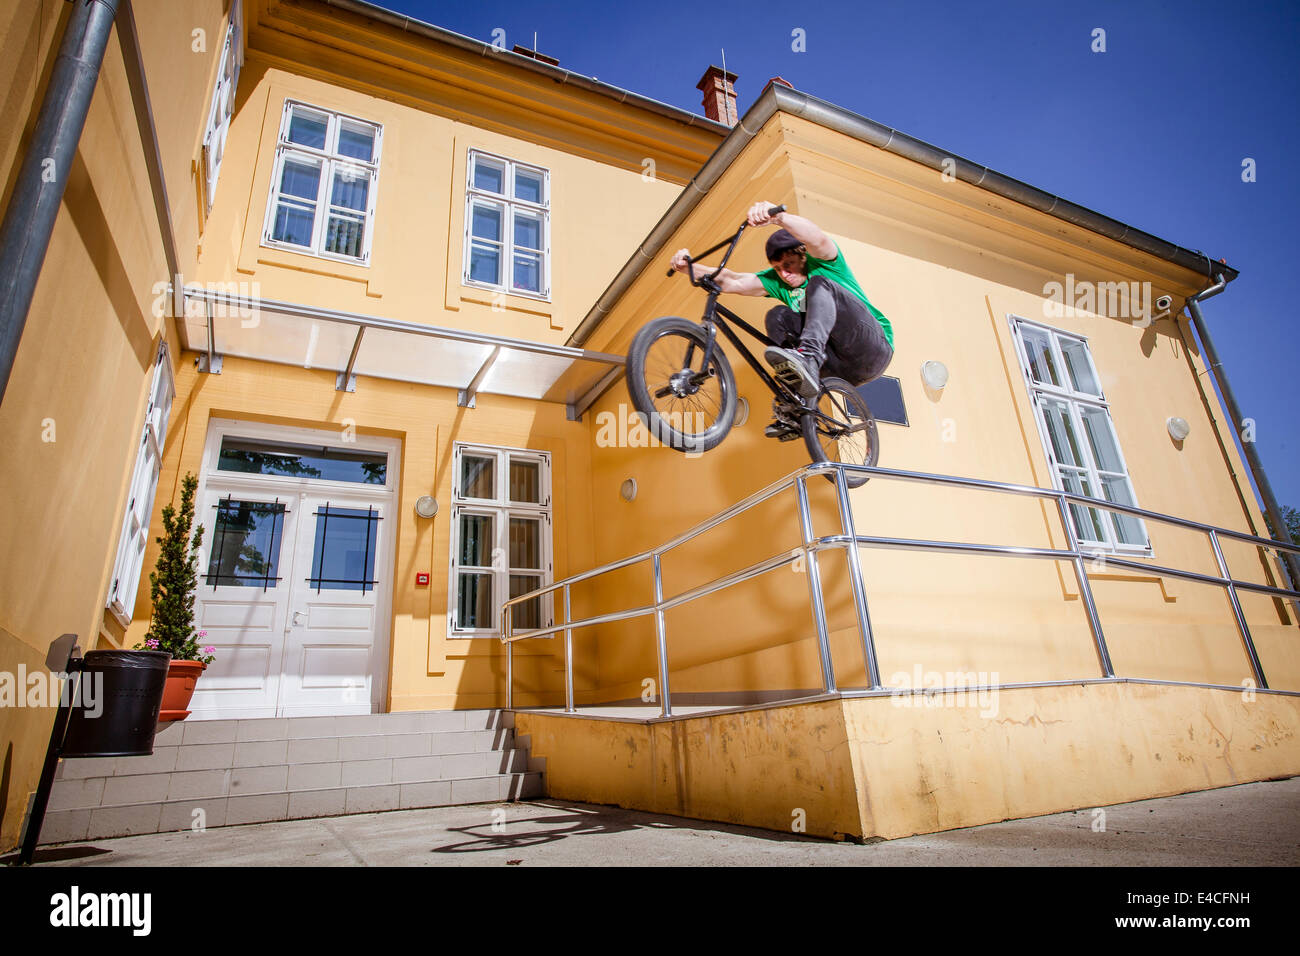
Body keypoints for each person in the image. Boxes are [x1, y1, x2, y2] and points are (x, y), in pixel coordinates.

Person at [669, 201, 894, 439]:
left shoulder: (826, 263)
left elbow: (817, 239)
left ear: (803, 256)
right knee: (777, 315)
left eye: (789, 264)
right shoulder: (778, 282)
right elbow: (733, 281)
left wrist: (779, 218)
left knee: (819, 285)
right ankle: (798, 404)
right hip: (835, 367)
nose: (784, 274)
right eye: (778, 268)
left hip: (871, 348)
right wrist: (689, 268)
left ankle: (808, 356)